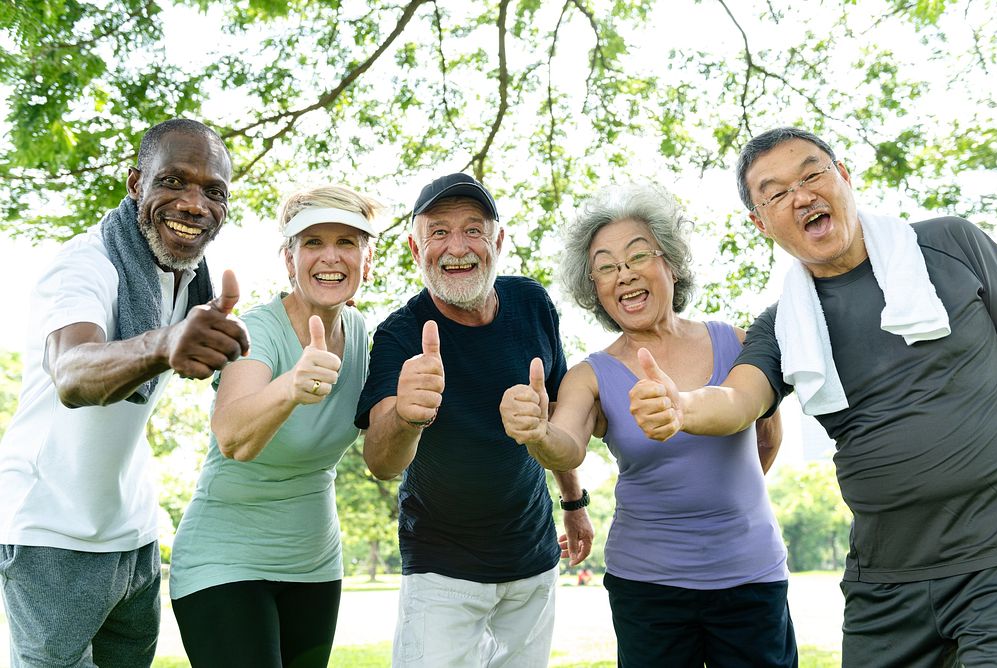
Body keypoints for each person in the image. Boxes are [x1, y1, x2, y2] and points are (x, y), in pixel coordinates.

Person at [631, 126, 997, 667]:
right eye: (776, 193)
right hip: (885, 584)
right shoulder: (783, 325)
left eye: (812, 174)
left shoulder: (951, 245)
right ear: (760, 223)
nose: (800, 196)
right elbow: (738, 401)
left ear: (844, 177)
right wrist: (682, 406)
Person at [500, 183, 796, 667]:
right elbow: (567, 446)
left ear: (671, 264)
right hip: (648, 587)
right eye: (606, 267)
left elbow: (767, 433)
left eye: (638, 256)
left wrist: (723, 511)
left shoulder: (739, 343)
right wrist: (537, 432)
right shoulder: (589, 375)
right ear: (594, 289)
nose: (624, 274)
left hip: (752, 577)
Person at [0, 118, 246, 668]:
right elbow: (71, 371)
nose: (193, 203)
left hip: (133, 535)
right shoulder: (86, 263)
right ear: (135, 183)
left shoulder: (190, 279)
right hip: (51, 533)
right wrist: (164, 344)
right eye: (173, 182)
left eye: (213, 191)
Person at [355, 173, 594, 668]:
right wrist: (405, 414)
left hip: (533, 561)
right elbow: (380, 460)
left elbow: (553, 413)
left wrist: (574, 502)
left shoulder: (532, 304)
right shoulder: (398, 335)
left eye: (473, 229)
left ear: (498, 241)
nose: (457, 246)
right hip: (442, 572)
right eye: (438, 232)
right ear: (414, 246)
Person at [168, 185, 381, 667]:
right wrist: (289, 387)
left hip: (315, 563)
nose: (331, 256)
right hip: (224, 561)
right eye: (313, 243)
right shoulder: (258, 329)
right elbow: (232, 436)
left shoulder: (364, 333)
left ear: (367, 260)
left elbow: (384, 452)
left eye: (347, 242)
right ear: (289, 260)